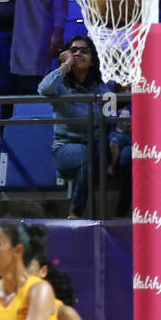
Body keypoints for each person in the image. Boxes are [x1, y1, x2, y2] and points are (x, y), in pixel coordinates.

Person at [38, 35, 114, 219]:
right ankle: (75, 213)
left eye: (84, 50)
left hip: (95, 146)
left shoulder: (101, 88)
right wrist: (66, 65)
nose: (78, 53)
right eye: (73, 50)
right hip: (65, 148)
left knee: (101, 152)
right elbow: (44, 89)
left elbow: (109, 120)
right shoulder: (60, 84)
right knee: (90, 156)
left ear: (92, 59)